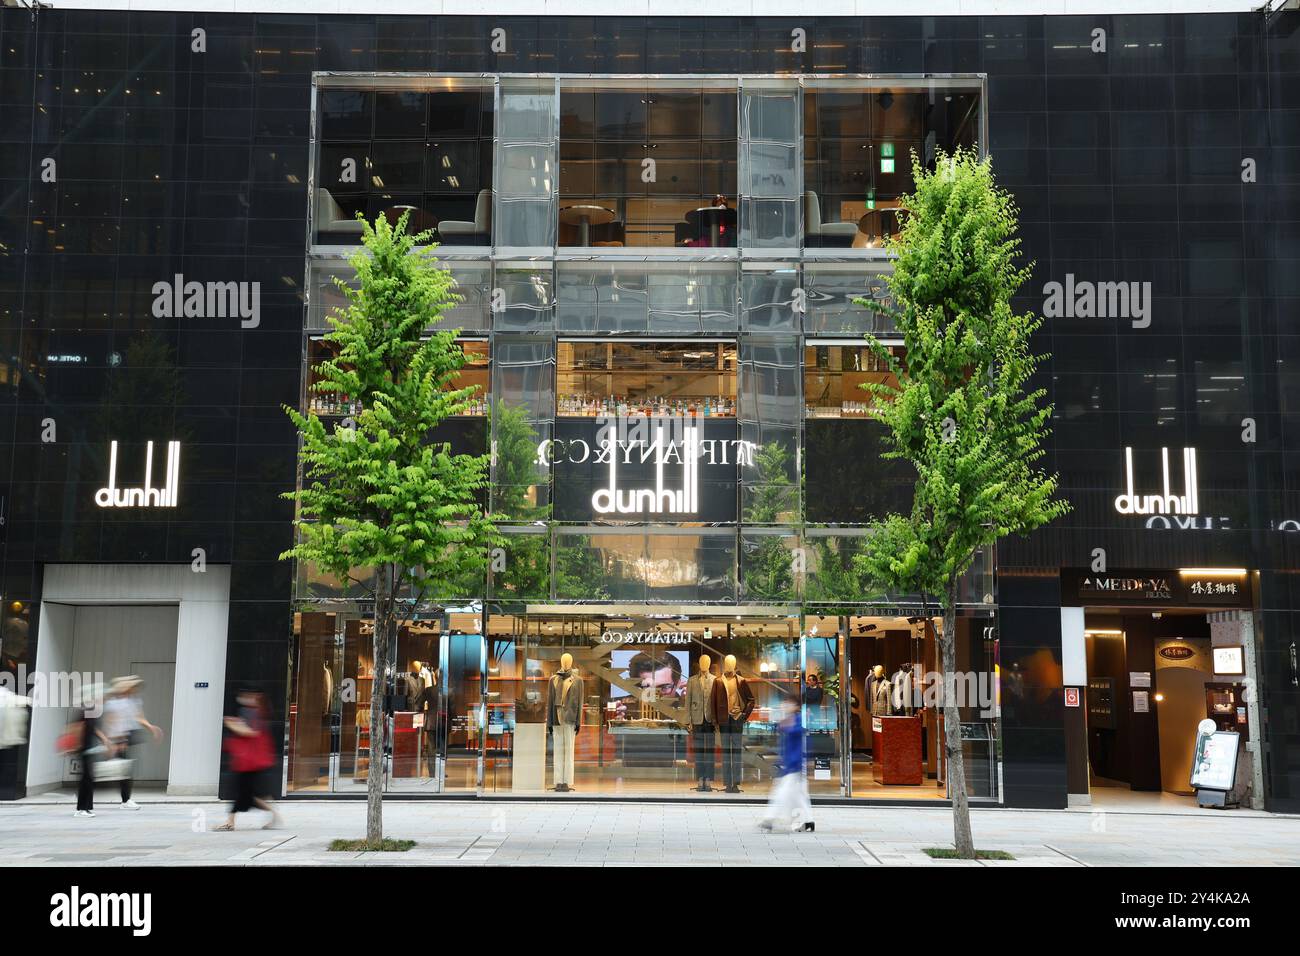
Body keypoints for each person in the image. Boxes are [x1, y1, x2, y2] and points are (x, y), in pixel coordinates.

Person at [217, 689, 281, 831]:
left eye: (247, 695)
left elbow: (251, 732)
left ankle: (230, 822)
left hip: (249, 762)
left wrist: (232, 724)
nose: (243, 698)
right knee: (247, 794)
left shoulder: (253, 712)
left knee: (244, 794)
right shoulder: (256, 711)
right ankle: (232, 821)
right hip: (250, 761)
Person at [102, 675, 162, 810]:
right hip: (118, 737)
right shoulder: (114, 703)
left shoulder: (134, 701)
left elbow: (139, 718)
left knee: (126, 769)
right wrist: (114, 740)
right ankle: (125, 800)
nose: (135, 689)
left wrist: (151, 727)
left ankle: (126, 799)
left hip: (130, 735)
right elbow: (111, 721)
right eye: (132, 686)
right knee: (123, 769)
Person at [760, 697, 814, 833]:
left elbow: (796, 733)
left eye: (788, 704)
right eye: (784, 704)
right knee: (799, 795)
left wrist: (785, 724)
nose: (784, 706)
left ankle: (769, 818)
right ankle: (809, 821)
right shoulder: (790, 720)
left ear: (796, 706)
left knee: (781, 792)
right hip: (790, 764)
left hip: (794, 764)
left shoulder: (798, 720)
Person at [73, 684, 109, 818]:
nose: (104, 699)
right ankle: (81, 809)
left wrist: (104, 739)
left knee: (89, 778)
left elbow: (93, 729)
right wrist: (76, 745)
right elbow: (78, 727)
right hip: (84, 748)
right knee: (86, 779)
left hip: (89, 748)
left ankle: (86, 808)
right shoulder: (86, 709)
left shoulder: (93, 710)